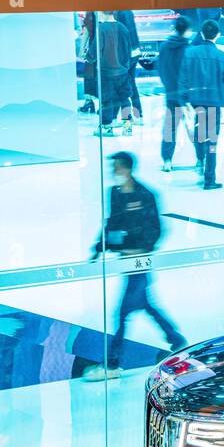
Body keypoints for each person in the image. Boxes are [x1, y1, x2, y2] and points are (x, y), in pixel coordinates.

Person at [84, 152, 185, 381]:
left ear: (128, 169)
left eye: (117, 168)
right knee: (144, 304)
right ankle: (176, 340)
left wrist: (142, 249)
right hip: (126, 260)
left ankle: (112, 362)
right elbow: (111, 222)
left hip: (140, 261)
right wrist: (98, 248)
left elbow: (157, 228)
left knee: (122, 313)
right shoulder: (115, 194)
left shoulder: (146, 195)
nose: (114, 173)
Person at [180, 19, 224, 190]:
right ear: (218, 35)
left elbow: (183, 78)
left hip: (196, 102)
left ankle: (200, 157)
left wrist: (183, 100)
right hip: (214, 104)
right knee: (212, 141)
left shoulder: (190, 53)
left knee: (200, 133)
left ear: (201, 34)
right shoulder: (222, 57)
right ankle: (209, 179)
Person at [156, 15, 192, 172]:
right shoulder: (189, 50)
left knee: (169, 129)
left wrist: (167, 85)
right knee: (194, 127)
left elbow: (160, 68)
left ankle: (167, 160)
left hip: (170, 94)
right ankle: (201, 159)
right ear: (187, 30)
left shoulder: (164, 47)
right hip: (187, 97)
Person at [94, 11, 134, 135]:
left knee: (107, 100)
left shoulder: (101, 28)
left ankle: (107, 127)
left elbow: (95, 50)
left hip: (106, 72)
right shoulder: (123, 28)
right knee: (125, 99)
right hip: (122, 72)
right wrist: (125, 66)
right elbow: (128, 51)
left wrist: (90, 58)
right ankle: (127, 127)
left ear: (101, 13)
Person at [113, 9, 144, 121]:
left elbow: (124, 35)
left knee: (121, 85)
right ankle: (138, 112)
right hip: (134, 51)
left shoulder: (120, 13)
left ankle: (120, 115)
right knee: (131, 83)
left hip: (126, 54)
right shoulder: (128, 11)